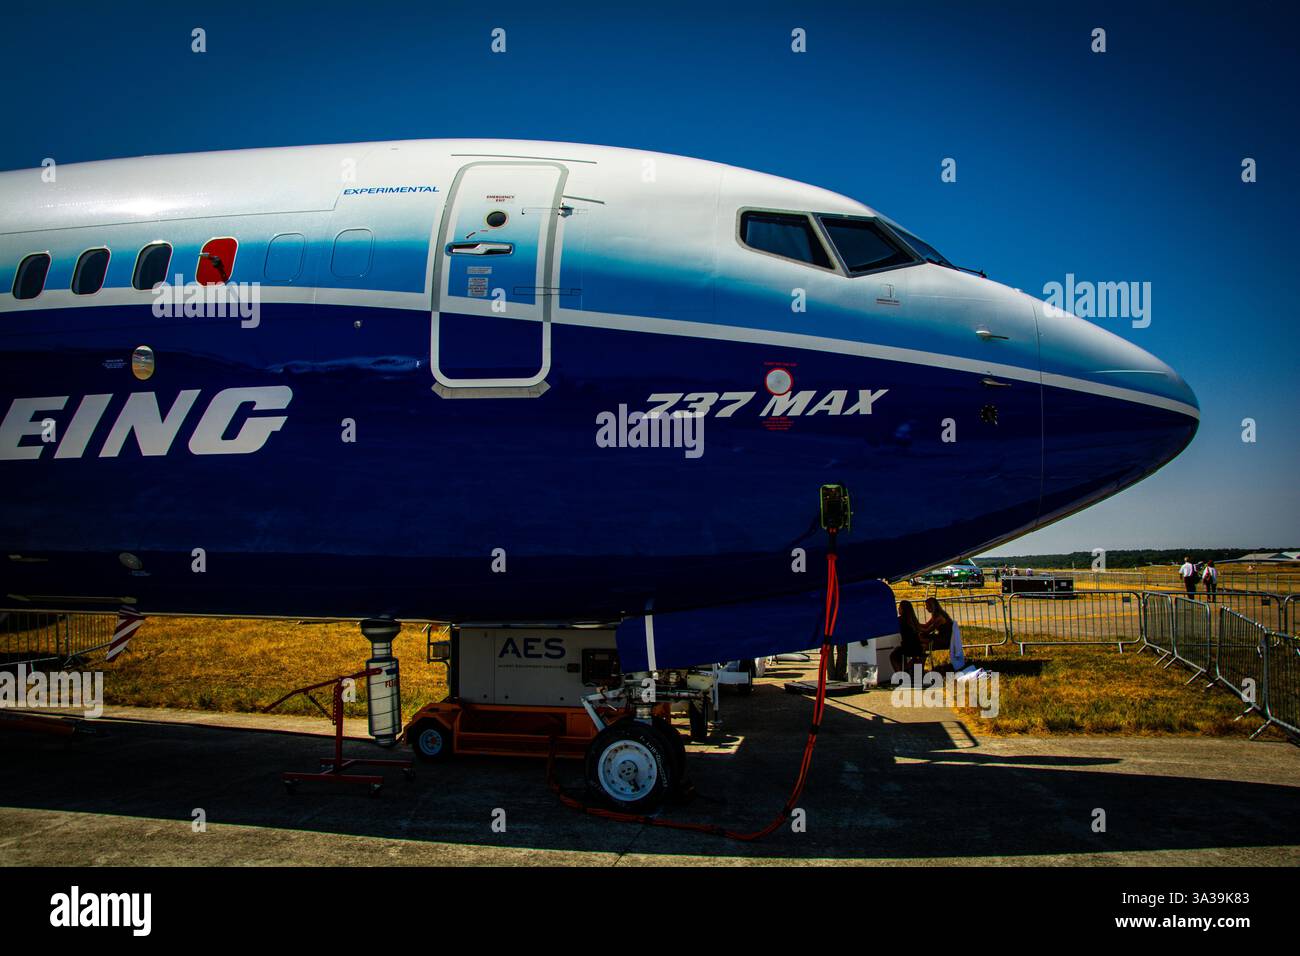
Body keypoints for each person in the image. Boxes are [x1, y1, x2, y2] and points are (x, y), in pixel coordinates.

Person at [920, 597, 965, 671]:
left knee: (922, 643)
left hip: (945, 640)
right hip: (941, 638)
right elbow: (925, 625)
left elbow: (927, 630)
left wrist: (915, 627)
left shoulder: (939, 617)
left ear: (931, 606)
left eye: (927, 606)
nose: (926, 608)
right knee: (922, 641)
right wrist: (915, 623)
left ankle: (918, 667)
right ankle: (919, 666)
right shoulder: (936, 615)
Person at [889, 600, 925, 673]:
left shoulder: (900, 620)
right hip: (917, 647)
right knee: (901, 653)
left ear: (903, 609)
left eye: (899, 607)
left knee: (893, 656)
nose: (898, 609)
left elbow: (891, 628)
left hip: (907, 647)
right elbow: (920, 630)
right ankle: (907, 669)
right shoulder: (913, 619)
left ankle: (899, 674)